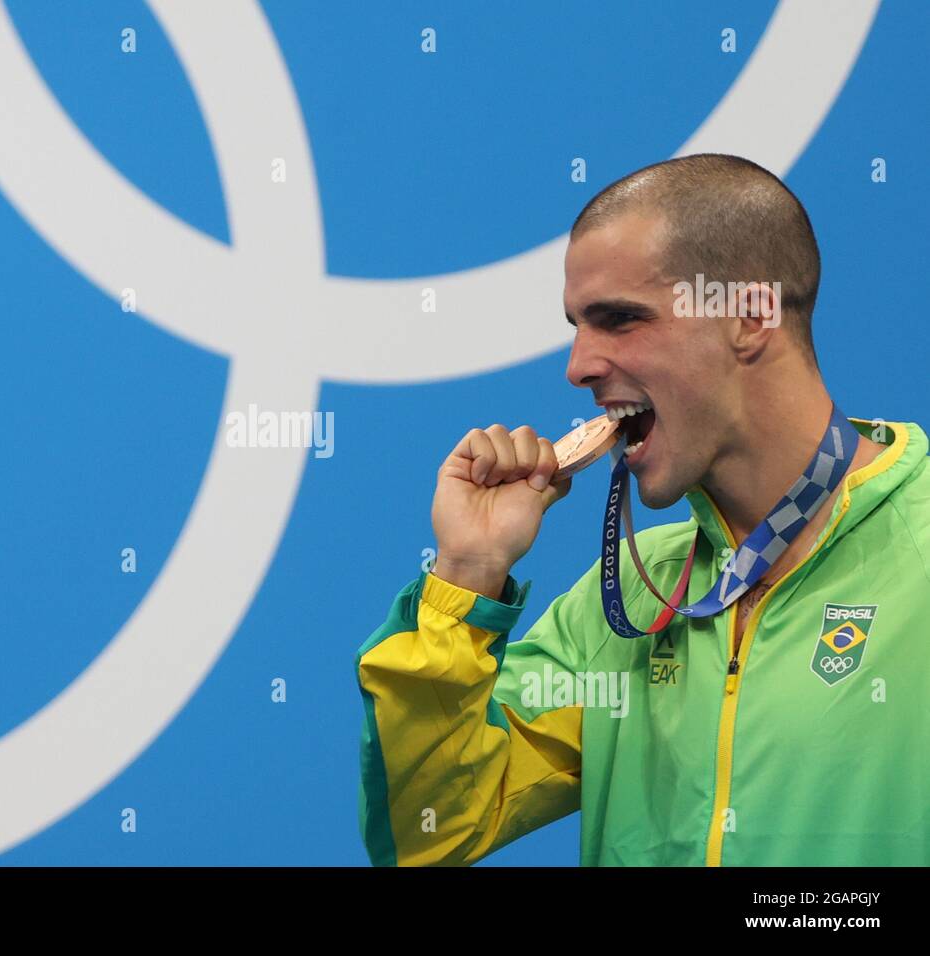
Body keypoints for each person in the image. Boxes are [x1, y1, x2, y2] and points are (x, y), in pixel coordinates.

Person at [355, 153, 930, 866]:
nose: (578, 366)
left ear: (750, 316)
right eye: (576, 325)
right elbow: (427, 833)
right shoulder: (627, 598)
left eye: (620, 319)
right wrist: (468, 573)